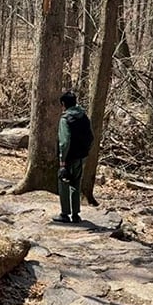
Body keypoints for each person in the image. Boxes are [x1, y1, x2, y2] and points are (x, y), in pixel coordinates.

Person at [54, 90, 94, 224]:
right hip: (81, 156)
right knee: (76, 184)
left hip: (68, 157)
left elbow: (64, 142)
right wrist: (85, 152)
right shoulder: (83, 117)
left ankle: (65, 214)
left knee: (64, 182)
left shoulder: (65, 119)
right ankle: (76, 214)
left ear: (63, 104)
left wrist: (62, 161)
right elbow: (91, 137)